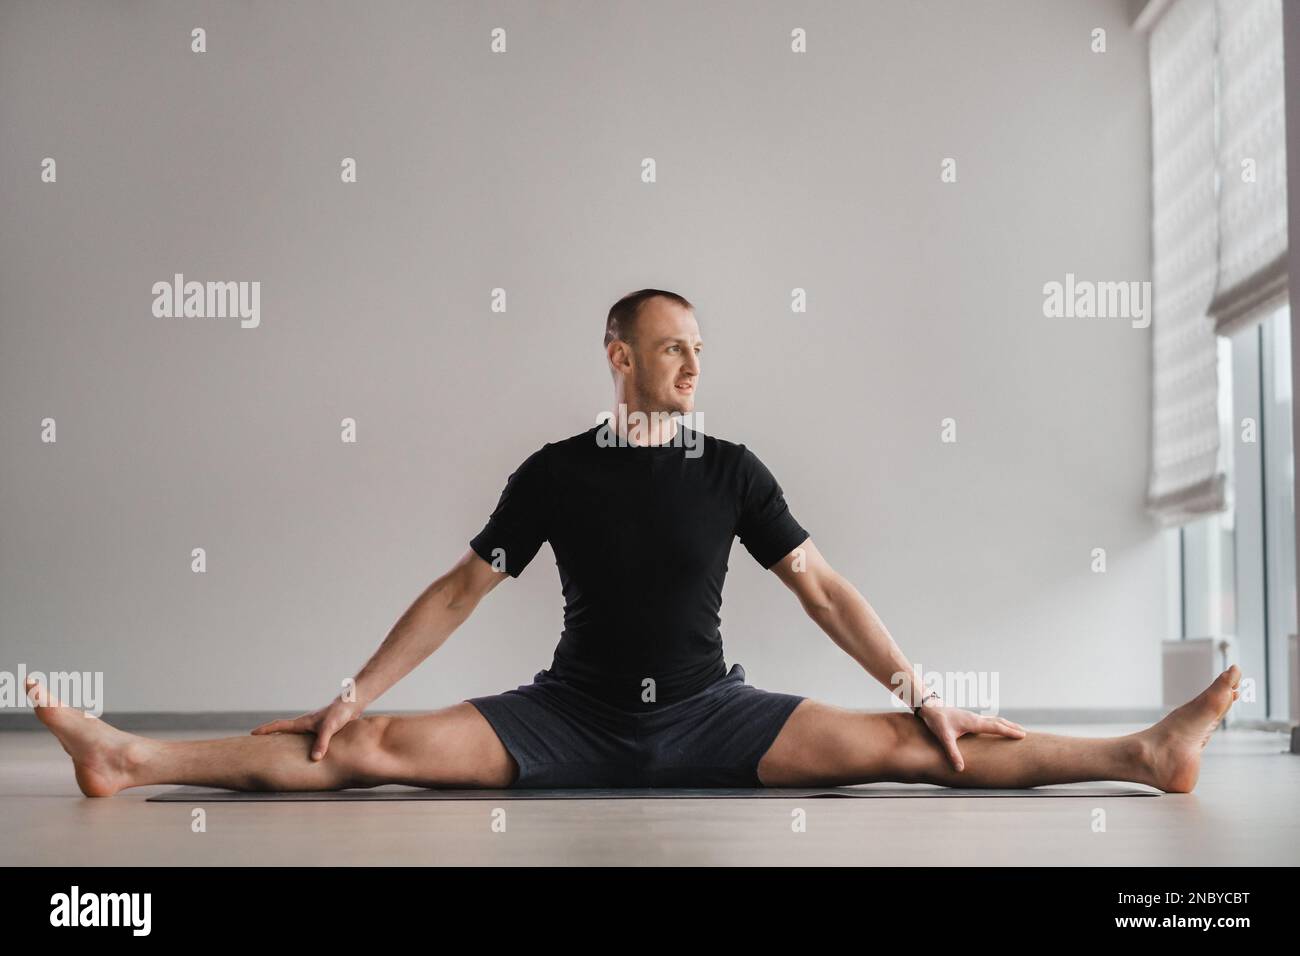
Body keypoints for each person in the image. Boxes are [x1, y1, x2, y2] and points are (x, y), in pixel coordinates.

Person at [26, 290, 1240, 796]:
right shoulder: (557, 470)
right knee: (367, 747)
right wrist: (355, 687)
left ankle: (1143, 750)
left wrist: (919, 686)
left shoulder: (733, 468)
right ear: (619, 356)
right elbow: (458, 591)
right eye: (671, 348)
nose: (693, 364)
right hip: (572, 714)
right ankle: (130, 757)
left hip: (713, 712)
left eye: (700, 349)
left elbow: (821, 587)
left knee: (923, 748)